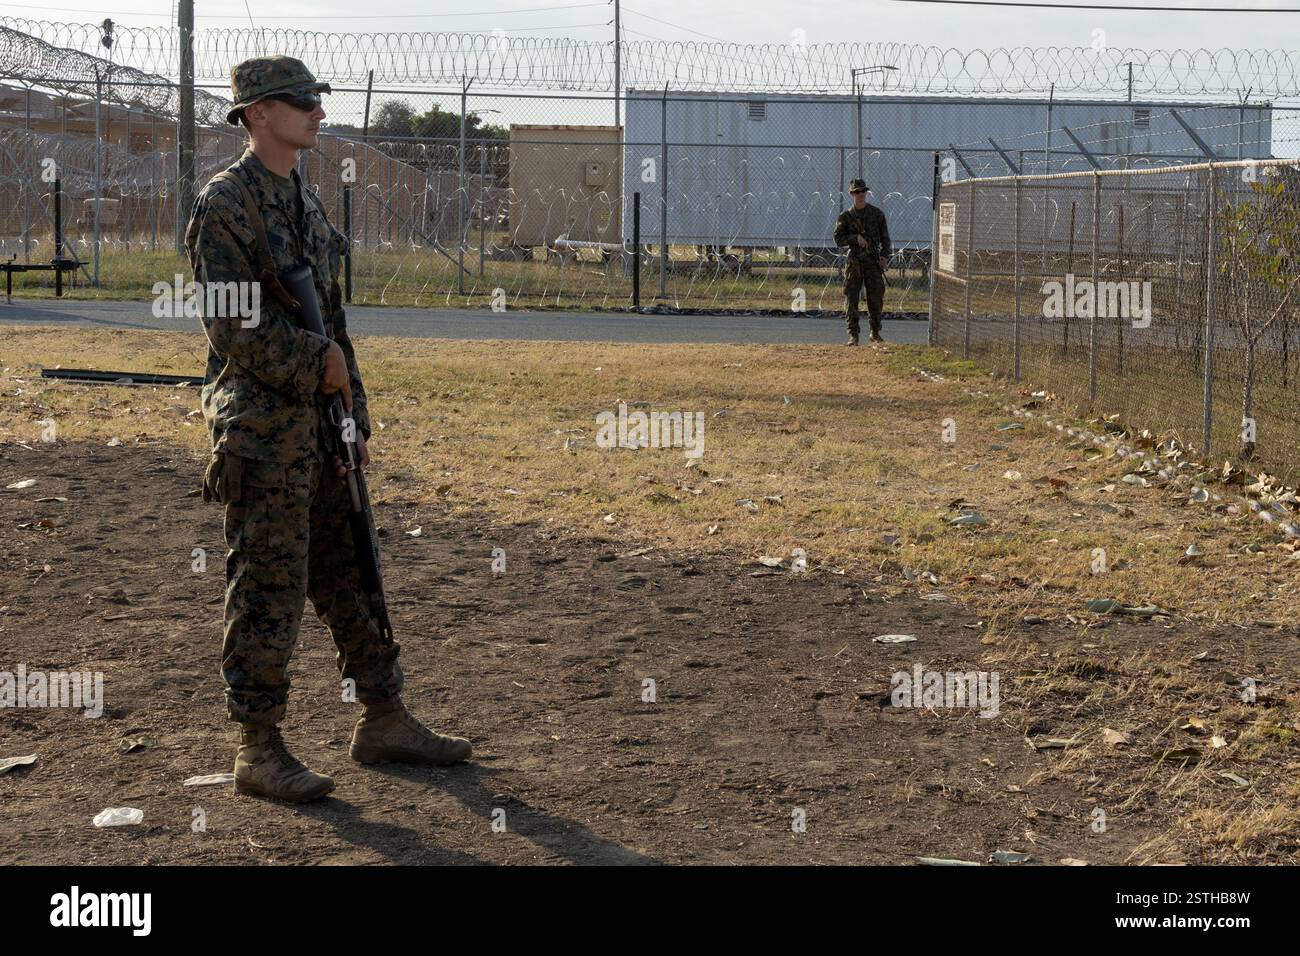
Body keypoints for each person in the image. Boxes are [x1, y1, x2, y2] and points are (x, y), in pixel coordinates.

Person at [185, 56, 472, 803]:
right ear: (255, 114)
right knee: (268, 589)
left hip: (321, 426)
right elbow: (234, 328)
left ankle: (383, 716)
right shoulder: (227, 204)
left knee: (352, 569)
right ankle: (258, 746)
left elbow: (335, 325)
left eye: (317, 99)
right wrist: (319, 365)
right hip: (262, 432)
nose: (316, 111)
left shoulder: (304, 203)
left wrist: (355, 417)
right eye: (299, 101)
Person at [833, 177, 892, 345]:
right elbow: (838, 239)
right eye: (857, 192)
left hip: (872, 261)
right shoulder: (846, 217)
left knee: (875, 297)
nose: (860, 194)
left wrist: (884, 256)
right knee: (851, 298)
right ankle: (853, 334)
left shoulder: (877, 214)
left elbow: (885, 239)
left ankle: (875, 331)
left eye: (863, 191)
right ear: (852, 194)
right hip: (854, 262)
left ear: (866, 192)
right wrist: (855, 238)